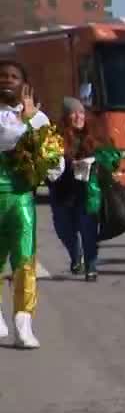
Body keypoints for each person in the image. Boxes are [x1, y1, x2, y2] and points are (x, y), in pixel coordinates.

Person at [0, 59, 64, 348]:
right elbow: (6, 139)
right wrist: (23, 124)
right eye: (2, 76)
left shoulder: (39, 119)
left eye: (13, 76)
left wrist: (31, 122)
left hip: (21, 199)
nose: (7, 80)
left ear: (24, 84)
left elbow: (56, 165)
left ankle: (23, 323)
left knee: (25, 261)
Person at [50, 97, 104, 281]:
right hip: (62, 192)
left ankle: (91, 266)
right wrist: (68, 164)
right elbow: (49, 161)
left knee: (88, 229)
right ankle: (76, 257)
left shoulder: (93, 134)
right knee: (64, 230)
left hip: (87, 192)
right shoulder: (55, 137)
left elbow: (107, 155)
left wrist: (96, 162)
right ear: (66, 116)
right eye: (73, 113)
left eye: (81, 112)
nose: (78, 116)